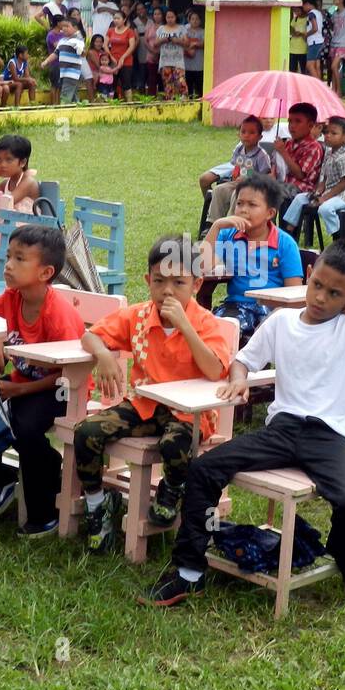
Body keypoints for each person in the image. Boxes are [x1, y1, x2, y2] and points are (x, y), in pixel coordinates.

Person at [141, 240, 345, 606]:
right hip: (283, 429)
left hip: (330, 437)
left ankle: (342, 552)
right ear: (309, 275)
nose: (321, 297)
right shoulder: (282, 321)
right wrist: (239, 377)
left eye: (336, 293)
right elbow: (244, 360)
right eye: (317, 285)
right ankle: (188, 571)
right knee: (205, 469)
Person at [74, 234, 233, 552]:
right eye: (159, 281)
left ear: (197, 284)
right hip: (145, 405)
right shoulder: (138, 316)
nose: (168, 291)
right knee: (86, 432)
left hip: (191, 413)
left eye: (179, 282)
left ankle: (172, 488)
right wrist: (104, 355)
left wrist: (186, 326)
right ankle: (98, 504)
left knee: (175, 445)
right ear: (148, 280)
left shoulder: (207, 324)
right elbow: (90, 336)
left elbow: (215, 370)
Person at [0, 226, 84, 533]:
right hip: (22, 385)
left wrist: (19, 388)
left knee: (25, 427)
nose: (9, 265)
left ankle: (44, 513)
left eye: (19, 259)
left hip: (63, 391)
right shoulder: (12, 297)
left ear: (45, 272)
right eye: (8, 257)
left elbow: (67, 372)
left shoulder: (57, 314)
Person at [202, 171, 304, 340]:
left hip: (271, 309)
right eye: (240, 203)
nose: (243, 210)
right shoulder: (228, 234)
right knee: (212, 329)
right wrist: (216, 226)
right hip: (235, 306)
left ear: (270, 213)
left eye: (252, 205)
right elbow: (203, 267)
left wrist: (276, 318)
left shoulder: (285, 243)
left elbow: (293, 295)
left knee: (236, 332)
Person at [281, 116, 345, 238]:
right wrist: (318, 193)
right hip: (328, 192)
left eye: (333, 133)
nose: (327, 135)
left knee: (325, 209)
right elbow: (324, 177)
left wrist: (324, 198)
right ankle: (288, 232)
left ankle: (338, 237)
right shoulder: (328, 152)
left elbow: (344, 184)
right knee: (299, 199)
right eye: (326, 132)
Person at [200, 116, 274, 228]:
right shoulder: (239, 150)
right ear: (238, 134)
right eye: (243, 132)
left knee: (238, 194)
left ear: (260, 137)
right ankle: (213, 224)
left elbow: (265, 176)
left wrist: (249, 179)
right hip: (237, 182)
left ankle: (230, 226)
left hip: (253, 187)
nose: (246, 135)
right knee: (219, 190)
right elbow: (236, 166)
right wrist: (235, 174)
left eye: (252, 133)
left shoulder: (261, 155)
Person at [275, 101, 325, 201]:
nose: (292, 125)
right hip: (285, 183)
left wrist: (283, 152)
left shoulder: (313, 147)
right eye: (290, 121)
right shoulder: (289, 143)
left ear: (310, 125)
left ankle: (283, 217)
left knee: (275, 192)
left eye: (297, 121)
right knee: (260, 187)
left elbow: (300, 175)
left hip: (302, 189)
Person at [41, 20, 85, 105]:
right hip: (63, 73)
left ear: (75, 28)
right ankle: (78, 110)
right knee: (73, 96)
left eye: (67, 26)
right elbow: (55, 53)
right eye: (63, 26)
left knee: (65, 95)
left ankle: (63, 113)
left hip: (72, 73)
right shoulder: (62, 41)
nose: (64, 28)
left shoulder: (78, 40)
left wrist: (80, 50)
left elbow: (82, 52)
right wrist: (46, 61)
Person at [155, 8, 189, 101]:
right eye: (168, 17)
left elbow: (187, 43)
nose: (170, 19)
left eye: (172, 17)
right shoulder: (161, 29)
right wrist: (164, 40)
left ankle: (184, 100)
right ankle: (170, 102)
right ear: (165, 18)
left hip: (178, 61)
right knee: (168, 84)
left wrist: (177, 40)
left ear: (175, 17)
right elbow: (155, 43)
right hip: (165, 61)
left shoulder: (181, 28)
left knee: (180, 81)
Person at [107, 9, 138, 102]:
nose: (115, 20)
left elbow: (132, 46)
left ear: (124, 20)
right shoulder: (110, 30)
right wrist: (111, 57)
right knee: (112, 83)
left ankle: (129, 103)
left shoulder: (129, 31)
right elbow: (105, 45)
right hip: (113, 62)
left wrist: (123, 58)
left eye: (118, 18)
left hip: (126, 61)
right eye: (114, 18)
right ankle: (110, 104)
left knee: (126, 83)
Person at [329, 0, 345, 91]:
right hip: (334, 42)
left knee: (334, 66)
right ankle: (334, 90)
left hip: (343, 43)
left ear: (341, 0)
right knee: (335, 68)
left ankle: (339, 91)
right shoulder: (334, 13)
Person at [86, 33, 116, 102]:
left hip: (103, 74)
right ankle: (93, 101)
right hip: (93, 74)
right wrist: (112, 70)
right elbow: (99, 66)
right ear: (93, 43)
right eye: (96, 42)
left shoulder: (102, 52)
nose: (99, 44)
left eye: (100, 42)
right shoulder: (91, 52)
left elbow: (109, 63)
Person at [302, 0, 325, 80]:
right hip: (319, 41)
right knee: (316, 65)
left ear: (307, 4)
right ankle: (321, 88)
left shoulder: (311, 14)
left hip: (314, 42)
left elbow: (315, 28)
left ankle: (318, 87)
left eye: (303, 6)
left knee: (309, 65)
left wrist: (306, 34)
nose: (303, 8)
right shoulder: (318, 13)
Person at [184, 10, 205, 97]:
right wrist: (195, 43)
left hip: (199, 65)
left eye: (197, 19)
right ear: (189, 20)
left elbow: (204, 43)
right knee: (188, 88)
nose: (195, 21)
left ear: (200, 21)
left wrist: (194, 43)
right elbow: (182, 43)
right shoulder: (185, 31)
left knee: (199, 88)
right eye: (192, 19)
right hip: (187, 64)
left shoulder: (203, 31)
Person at [144, 6, 163, 95]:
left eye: (159, 14)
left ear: (162, 15)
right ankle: (152, 98)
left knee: (162, 78)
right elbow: (145, 41)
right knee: (152, 78)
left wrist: (158, 53)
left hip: (163, 56)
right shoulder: (149, 26)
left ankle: (162, 97)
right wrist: (153, 51)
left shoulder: (165, 27)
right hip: (151, 56)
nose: (157, 16)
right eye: (155, 14)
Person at [288, 6, 309, 74]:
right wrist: (294, 33)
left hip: (303, 49)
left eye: (298, 11)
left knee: (304, 70)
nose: (296, 13)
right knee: (292, 70)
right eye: (295, 11)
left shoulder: (308, 19)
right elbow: (291, 29)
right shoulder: (295, 19)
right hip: (292, 48)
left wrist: (301, 34)